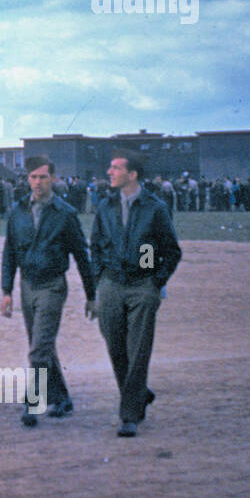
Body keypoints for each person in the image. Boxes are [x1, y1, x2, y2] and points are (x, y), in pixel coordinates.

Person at [90, 149, 182, 437]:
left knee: (138, 350)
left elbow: (171, 250)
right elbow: (95, 246)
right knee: (115, 346)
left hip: (143, 285)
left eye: (116, 168)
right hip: (111, 285)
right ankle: (138, 393)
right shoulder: (105, 206)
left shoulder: (154, 208)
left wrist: (155, 282)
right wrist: (100, 278)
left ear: (133, 174)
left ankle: (129, 414)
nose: (109, 172)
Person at [0, 156, 96, 427]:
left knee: (39, 348)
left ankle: (33, 401)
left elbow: (81, 255)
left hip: (52, 286)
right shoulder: (18, 211)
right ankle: (62, 398)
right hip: (26, 286)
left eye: (43, 177)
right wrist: (6, 290)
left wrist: (92, 295)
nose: (38, 182)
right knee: (41, 345)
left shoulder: (64, 213)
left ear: (54, 179)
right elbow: (9, 252)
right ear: (27, 179)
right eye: (33, 177)